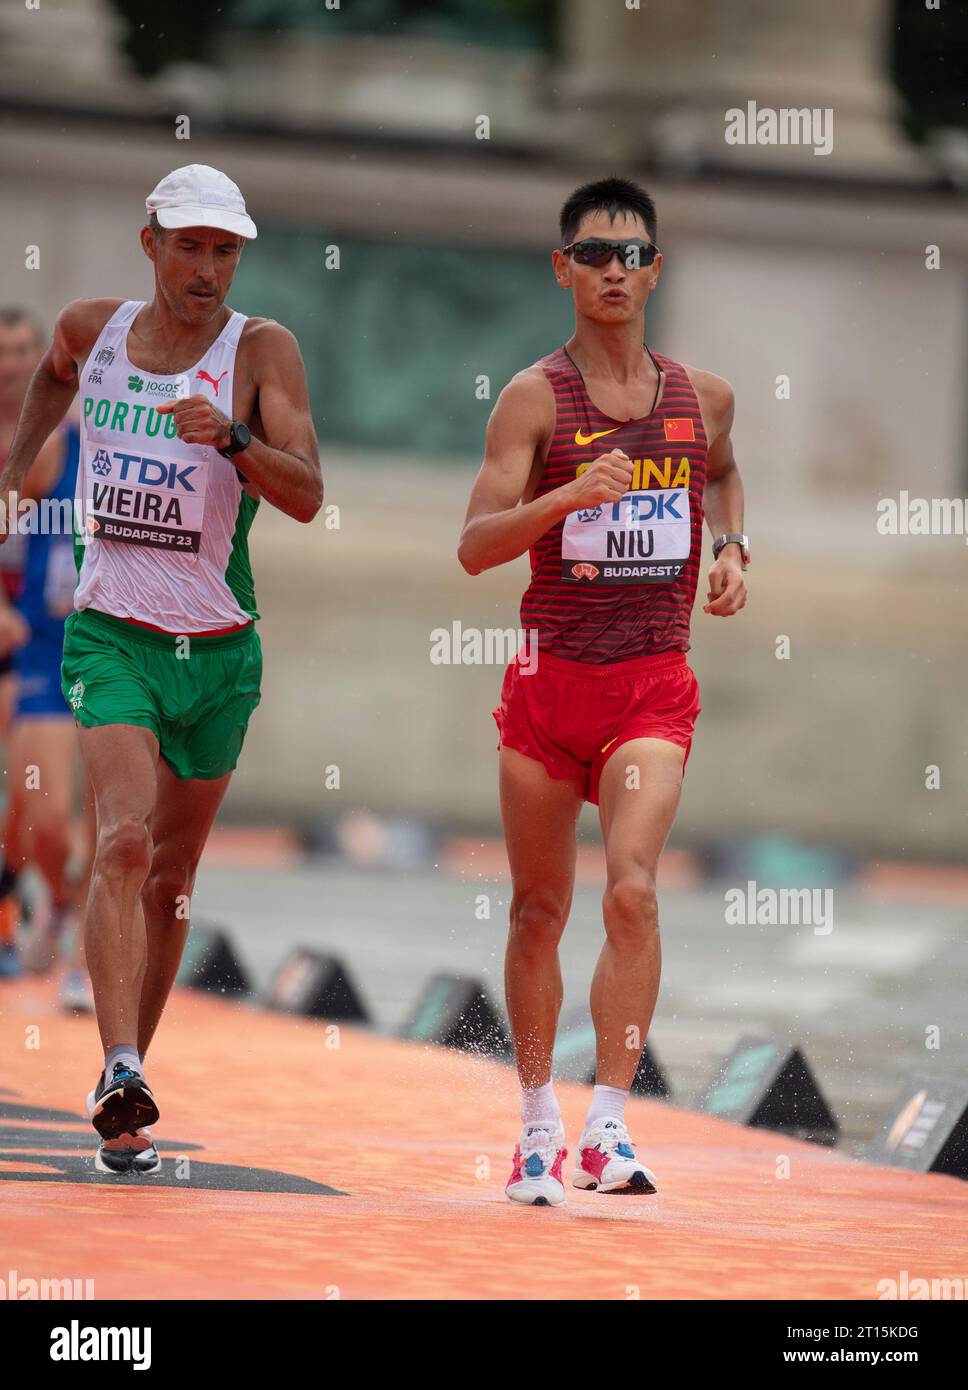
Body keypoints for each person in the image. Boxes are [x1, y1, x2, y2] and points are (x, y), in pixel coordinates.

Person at [0, 164, 322, 1174]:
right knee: (125, 840)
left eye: (226, 251)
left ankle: (131, 1079)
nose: (208, 270)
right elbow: (53, 370)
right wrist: (15, 476)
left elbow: (309, 493)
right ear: (151, 243)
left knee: (173, 877)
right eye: (191, 246)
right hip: (114, 635)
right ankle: (118, 1059)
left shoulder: (260, 351)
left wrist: (232, 439)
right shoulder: (93, 328)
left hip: (220, 651)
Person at [458, 177, 749, 1206]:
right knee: (539, 908)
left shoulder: (699, 395)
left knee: (631, 887)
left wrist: (732, 548)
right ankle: (537, 1124)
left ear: (654, 270)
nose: (612, 271)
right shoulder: (533, 400)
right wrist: (567, 497)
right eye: (592, 254)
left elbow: (718, 472)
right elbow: (471, 549)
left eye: (630, 256)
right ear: (562, 269)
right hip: (547, 691)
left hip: (649, 692)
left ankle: (609, 1127)